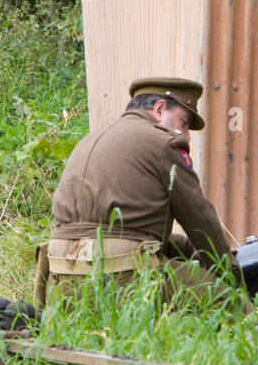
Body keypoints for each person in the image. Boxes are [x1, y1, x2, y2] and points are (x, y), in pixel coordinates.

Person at [34, 77, 242, 309]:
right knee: (229, 302)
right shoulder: (165, 142)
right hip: (121, 277)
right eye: (184, 123)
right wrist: (232, 272)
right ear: (159, 109)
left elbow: (115, 229)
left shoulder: (89, 140)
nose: (186, 134)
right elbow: (200, 218)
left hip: (61, 281)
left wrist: (186, 250)